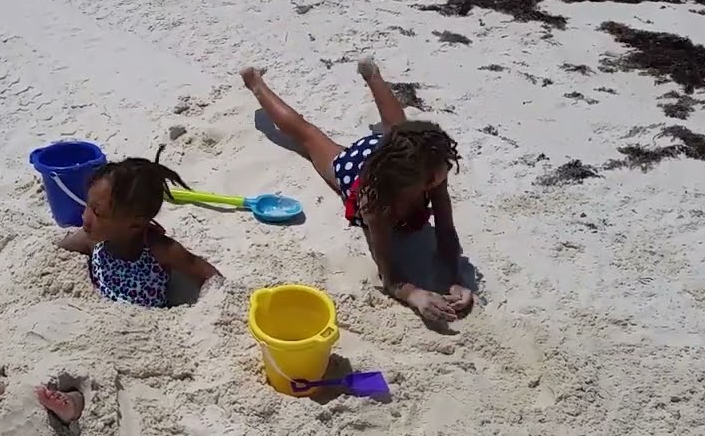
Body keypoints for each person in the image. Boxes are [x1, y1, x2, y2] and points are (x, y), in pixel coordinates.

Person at [240, 58, 473, 322]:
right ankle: (255, 82)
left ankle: (372, 74)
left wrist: (456, 278)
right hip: (355, 170)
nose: (447, 170)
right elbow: (388, 274)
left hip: (395, 153)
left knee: (400, 131)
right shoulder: (375, 204)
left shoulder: (429, 169)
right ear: (424, 181)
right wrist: (414, 295)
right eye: (441, 168)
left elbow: (446, 230)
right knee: (307, 134)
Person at [58, 147, 221, 307]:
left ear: (135, 224)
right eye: (88, 205)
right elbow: (57, 251)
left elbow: (212, 278)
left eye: (97, 212)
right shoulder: (92, 240)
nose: (85, 217)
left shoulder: (160, 250)